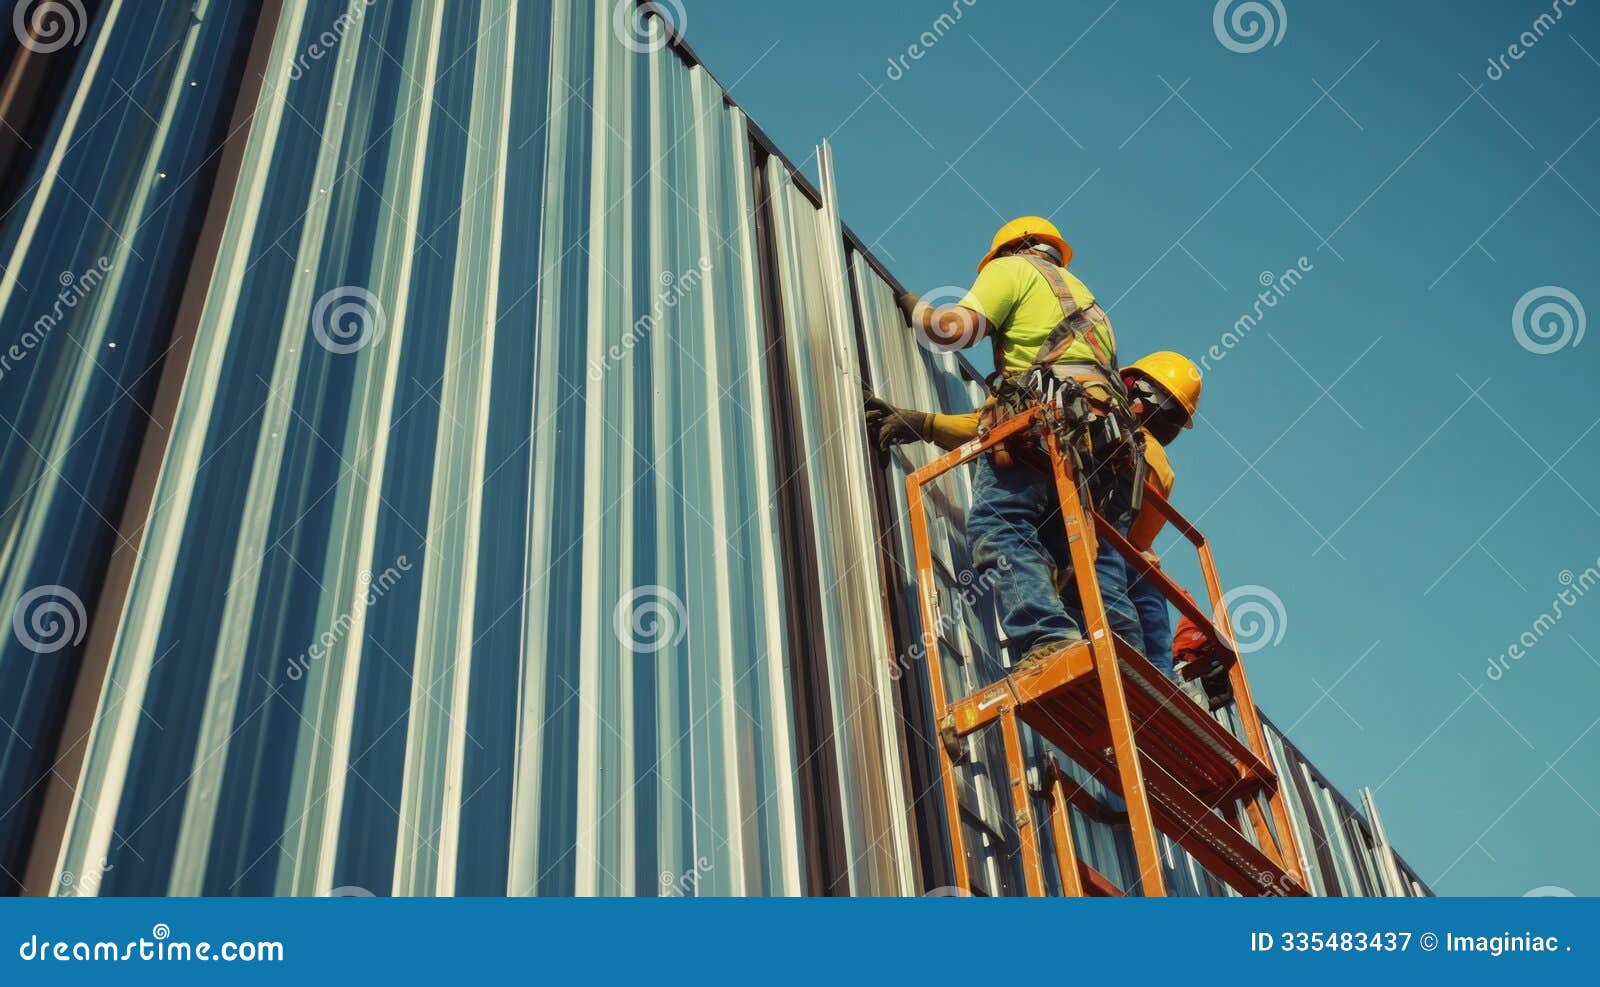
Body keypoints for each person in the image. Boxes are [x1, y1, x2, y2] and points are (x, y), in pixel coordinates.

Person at [894, 216, 1144, 664]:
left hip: (1045, 427)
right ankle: (1125, 660)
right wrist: (926, 424)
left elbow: (952, 331)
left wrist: (919, 312)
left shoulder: (1012, 270)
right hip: (1096, 444)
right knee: (1075, 560)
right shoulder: (1091, 305)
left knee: (1000, 525)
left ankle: (1048, 640)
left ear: (1014, 249)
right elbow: (998, 422)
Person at [866, 351, 1203, 681]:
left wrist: (927, 424)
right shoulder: (1145, 455)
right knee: (1128, 626)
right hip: (1140, 584)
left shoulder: (1099, 416)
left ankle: (1064, 643)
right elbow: (1139, 540)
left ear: (1133, 387)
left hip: (1114, 561)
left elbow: (991, 430)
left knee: (1062, 560)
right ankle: (1141, 675)